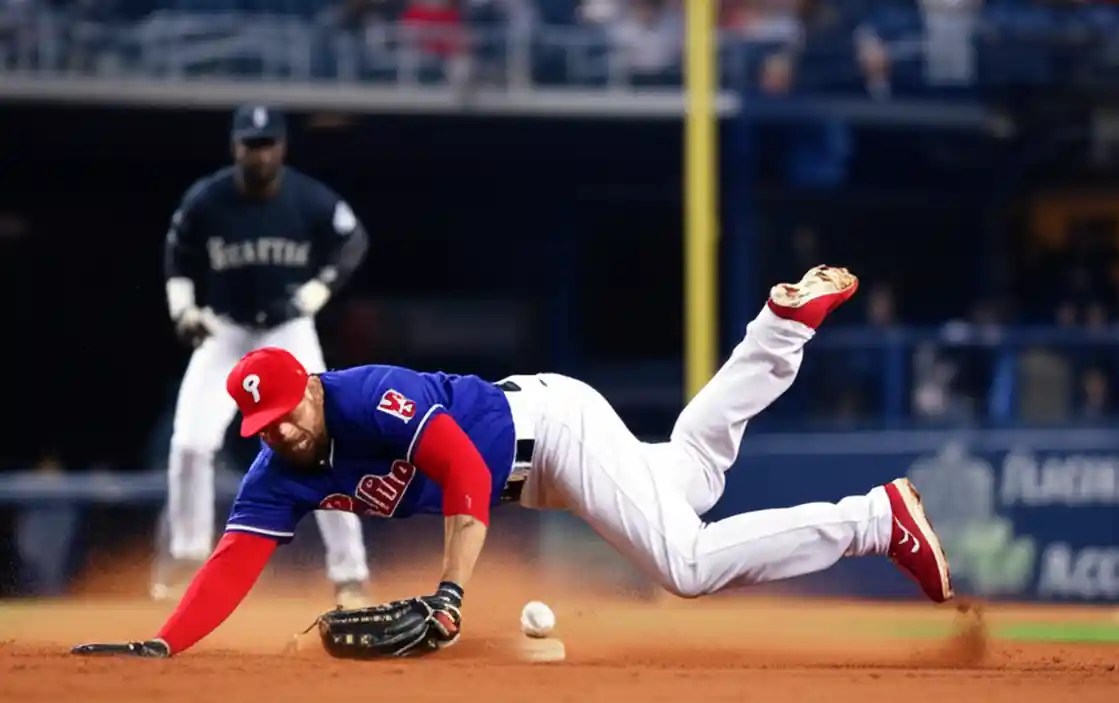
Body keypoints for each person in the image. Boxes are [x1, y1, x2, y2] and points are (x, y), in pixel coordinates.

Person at [72, 266, 952, 659]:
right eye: (261, 428)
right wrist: (165, 639)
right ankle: (780, 329)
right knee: (695, 473)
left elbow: (459, 467)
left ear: (307, 385)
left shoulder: (365, 392)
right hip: (541, 466)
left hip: (550, 430)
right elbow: (232, 563)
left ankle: (873, 518)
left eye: (282, 415)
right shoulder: (280, 466)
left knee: (685, 565)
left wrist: (453, 592)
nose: (278, 436)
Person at [155, 103, 372, 607]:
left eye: (267, 143)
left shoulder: (306, 196)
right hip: (226, 330)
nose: (259, 153)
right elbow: (178, 253)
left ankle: (350, 573)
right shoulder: (208, 199)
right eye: (250, 144)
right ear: (235, 148)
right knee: (190, 441)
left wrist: (319, 292)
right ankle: (187, 556)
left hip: (288, 330)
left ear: (282, 146)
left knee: (326, 441)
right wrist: (182, 307)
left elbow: (353, 239)